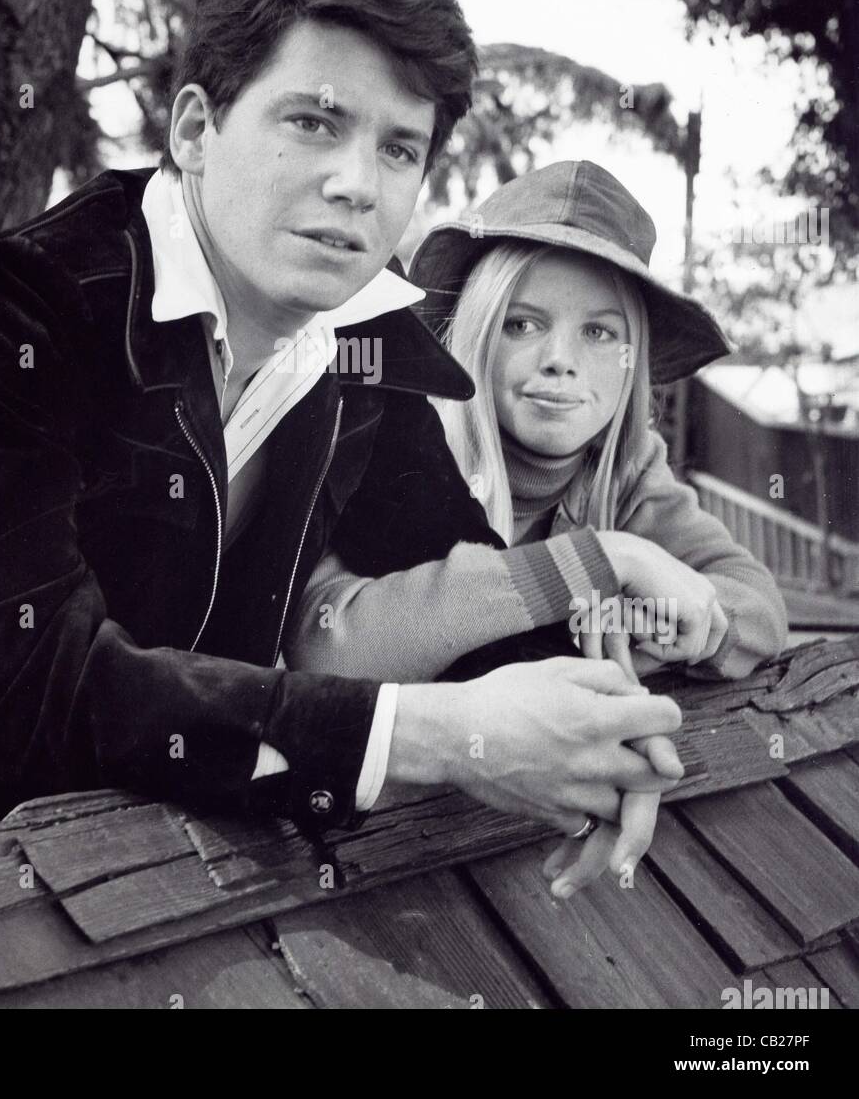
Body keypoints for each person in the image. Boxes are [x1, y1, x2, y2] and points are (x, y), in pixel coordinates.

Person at [0, 0, 687, 863]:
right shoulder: (23, 306)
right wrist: (437, 736)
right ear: (193, 131)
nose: (356, 184)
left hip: (153, 872)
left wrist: (603, 739)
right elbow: (33, 694)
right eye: (312, 122)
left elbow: (458, 567)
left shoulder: (365, 342)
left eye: (398, 148)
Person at [287, 160, 789, 894]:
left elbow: (758, 608)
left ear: (633, 363)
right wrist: (593, 564)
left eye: (598, 332)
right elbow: (327, 648)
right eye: (523, 324)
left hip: (524, 856)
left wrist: (666, 625)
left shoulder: (629, 473)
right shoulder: (394, 443)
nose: (560, 361)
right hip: (352, 852)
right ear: (477, 331)